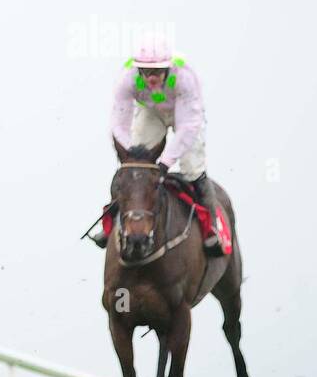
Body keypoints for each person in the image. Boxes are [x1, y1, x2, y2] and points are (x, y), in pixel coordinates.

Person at [91, 39, 222, 255]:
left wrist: (165, 163)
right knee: (134, 170)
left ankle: (211, 230)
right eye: (146, 71)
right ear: (138, 70)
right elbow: (118, 124)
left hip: (186, 116)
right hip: (151, 112)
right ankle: (109, 225)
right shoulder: (127, 79)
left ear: (168, 69)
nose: (151, 77)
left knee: (192, 169)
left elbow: (188, 128)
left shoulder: (185, 79)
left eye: (158, 71)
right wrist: (130, 158)